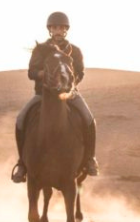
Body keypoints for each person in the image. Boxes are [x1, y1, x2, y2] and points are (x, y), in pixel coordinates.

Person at [11, 11, 99, 182]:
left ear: (66, 30)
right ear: (50, 29)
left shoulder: (76, 51)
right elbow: (31, 72)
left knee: (89, 119)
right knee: (21, 119)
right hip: (43, 94)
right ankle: (22, 164)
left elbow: (80, 72)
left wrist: (72, 85)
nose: (58, 30)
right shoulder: (40, 50)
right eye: (55, 27)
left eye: (61, 27)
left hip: (69, 94)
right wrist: (42, 74)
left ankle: (90, 159)